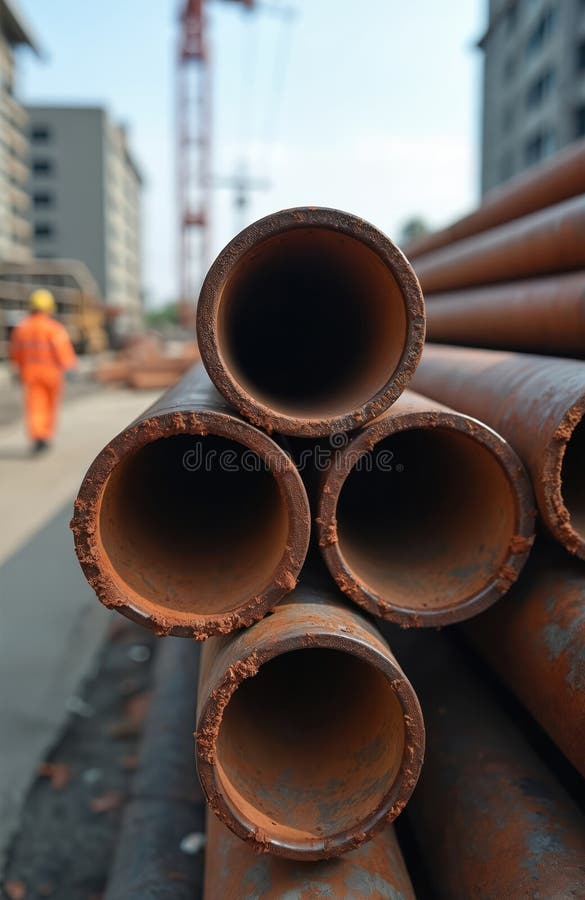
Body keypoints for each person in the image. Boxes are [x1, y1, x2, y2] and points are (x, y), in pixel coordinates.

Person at [9, 289, 78, 454]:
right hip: (52, 374)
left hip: (30, 374)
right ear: (49, 307)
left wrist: (16, 369)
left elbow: (16, 352)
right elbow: (62, 350)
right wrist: (70, 366)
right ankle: (45, 436)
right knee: (49, 406)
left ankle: (38, 436)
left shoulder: (22, 328)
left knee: (35, 406)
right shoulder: (54, 328)